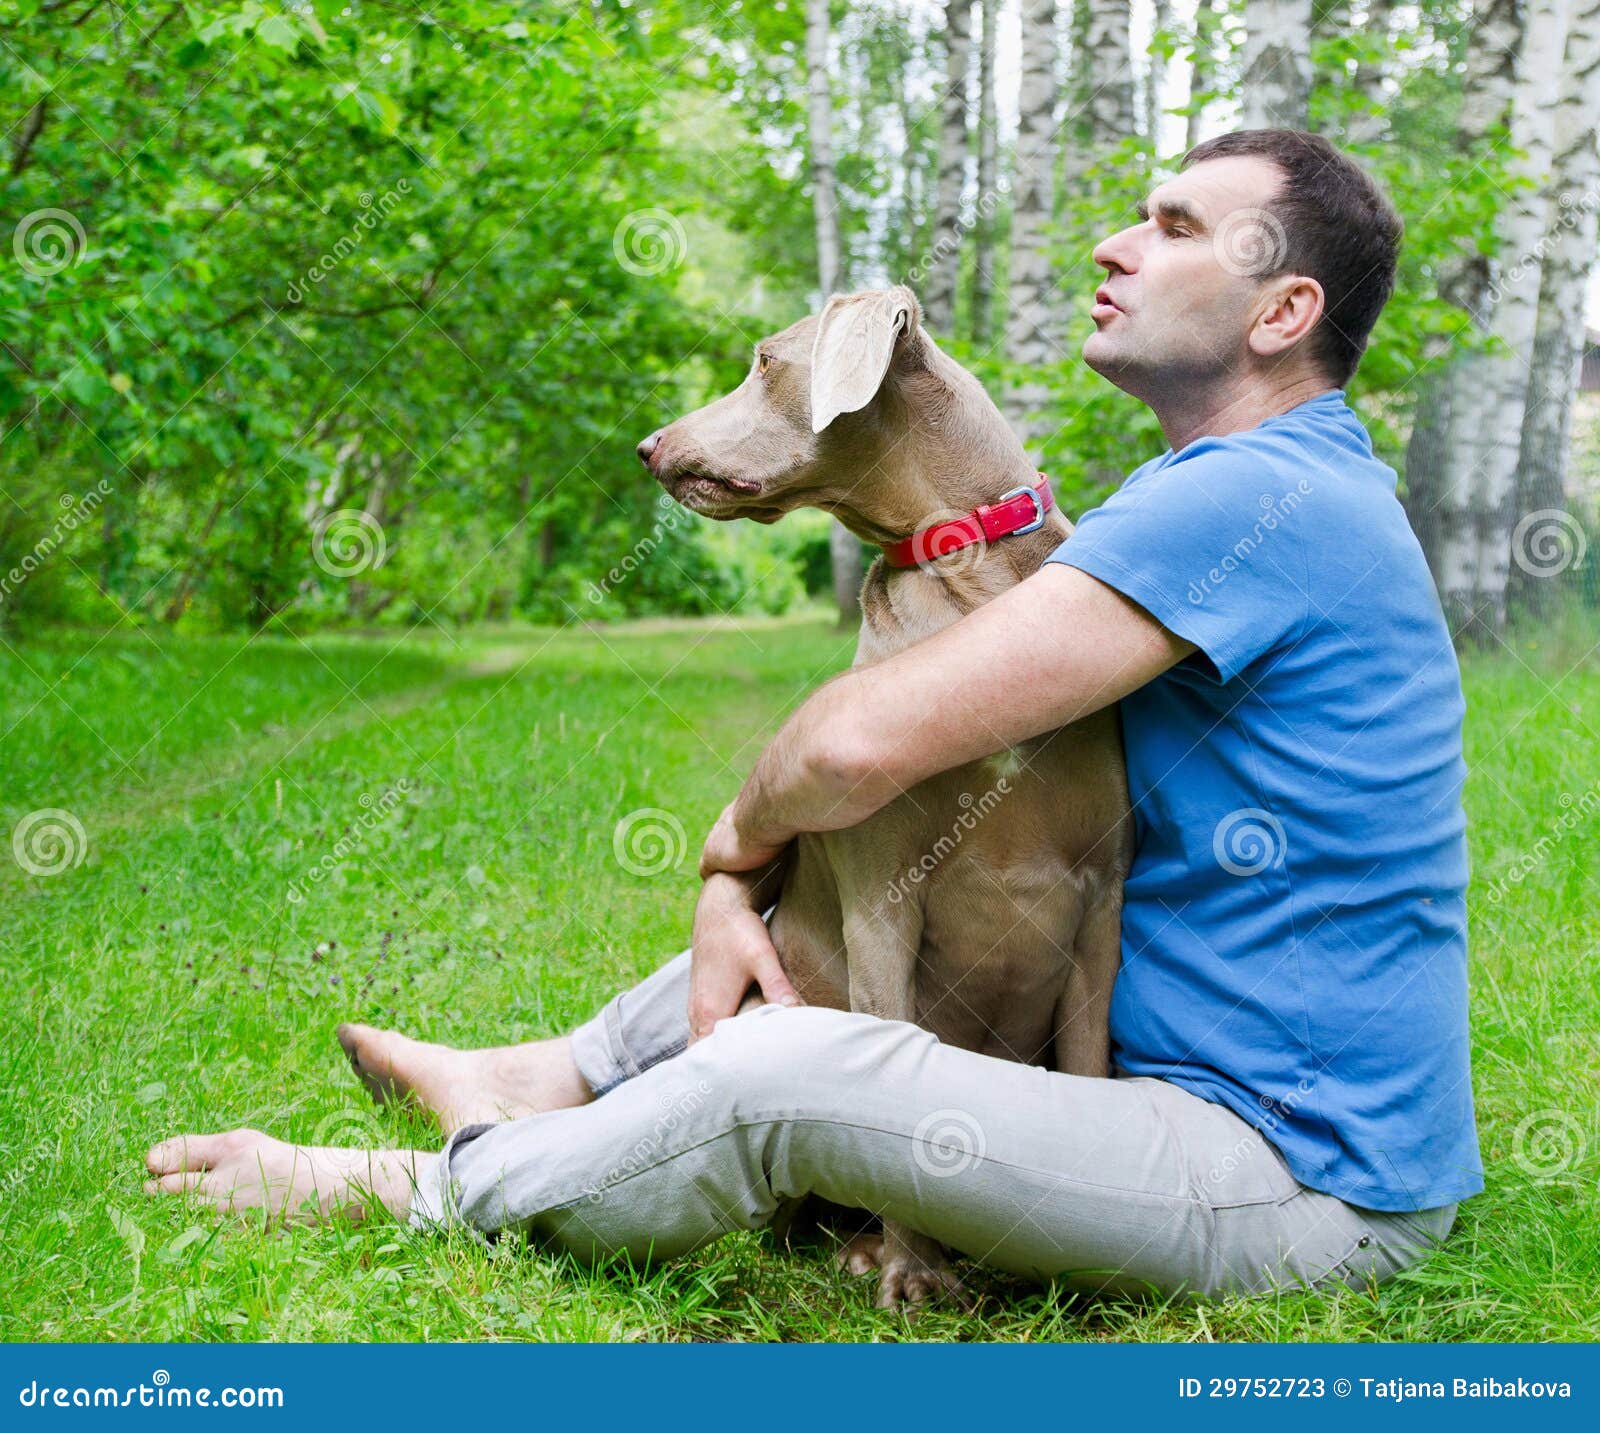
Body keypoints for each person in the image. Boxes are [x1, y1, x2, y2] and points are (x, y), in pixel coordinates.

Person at [145, 130, 1484, 1300]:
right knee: (838, 926)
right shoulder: (1241, 489)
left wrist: (732, 850)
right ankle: (541, 1074)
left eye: (1176, 224)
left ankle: (415, 1184)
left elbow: (854, 744)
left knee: (792, 1068)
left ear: (1281, 309)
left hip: (1295, 1171)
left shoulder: (1256, 500)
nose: (1117, 240)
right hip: (1177, 1094)